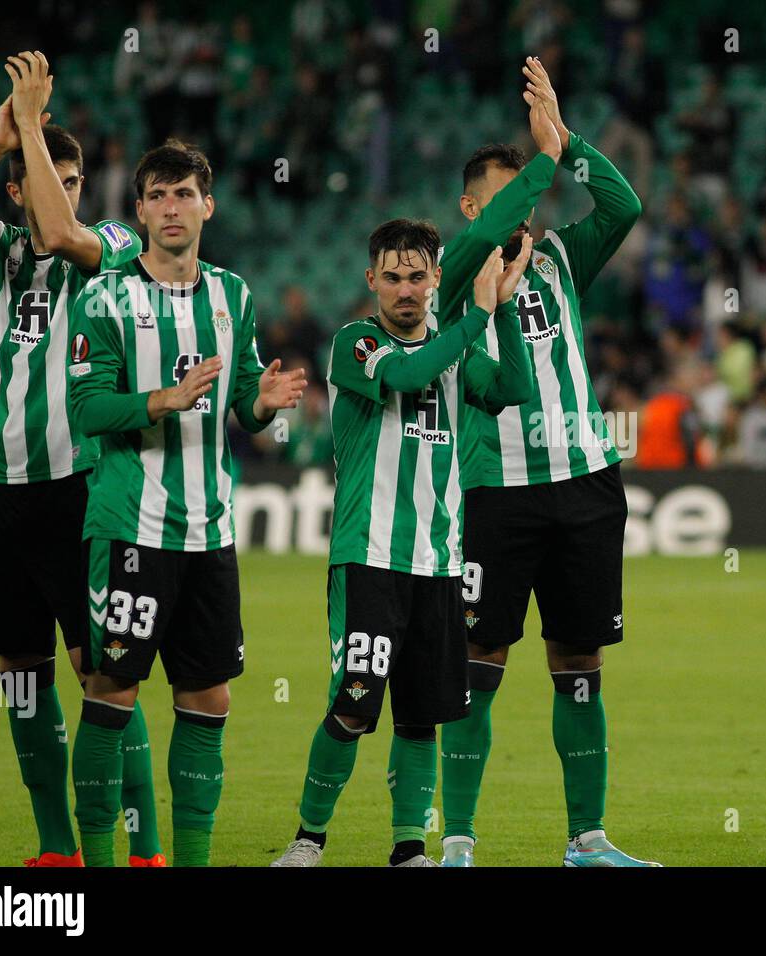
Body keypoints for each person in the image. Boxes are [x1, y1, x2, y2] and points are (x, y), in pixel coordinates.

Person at [0, 51, 157, 867]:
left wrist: (29, 122)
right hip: (0, 490)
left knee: (102, 672)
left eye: (72, 176)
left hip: (77, 487)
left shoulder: (113, 240)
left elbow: (62, 233)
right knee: (22, 674)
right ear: (19, 186)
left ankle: (146, 848)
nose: (60, 188)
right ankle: (58, 847)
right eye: (44, 177)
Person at [436, 56, 656, 866]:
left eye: (534, 190)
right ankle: (457, 840)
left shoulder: (562, 258)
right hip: (497, 492)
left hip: (587, 483)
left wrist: (567, 143)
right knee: (478, 661)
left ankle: (588, 840)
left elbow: (625, 204)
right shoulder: (453, 274)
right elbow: (491, 236)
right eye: (505, 192)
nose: (525, 207)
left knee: (581, 661)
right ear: (470, 206)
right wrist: (541, 167)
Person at [66, 139, 306, 867]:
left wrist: (261, 404)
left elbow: (243, 402)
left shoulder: (233, 295)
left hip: (211, 533)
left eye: (185, 193)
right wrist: (159, 401)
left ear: (209, 204)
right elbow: (85, 408)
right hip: (132, 524)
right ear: (138, 211)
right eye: (159, 195)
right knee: (112, 692)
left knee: (209, 702)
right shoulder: (105, 295)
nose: (172, 207)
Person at [270, 223, 533, 868]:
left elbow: (514, 390)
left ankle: (409, 848)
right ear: (372, 282)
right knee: (355, 706)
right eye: (392, 277)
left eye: (418, 276)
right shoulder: (356, 343)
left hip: (437, 562)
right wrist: (477, 314)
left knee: (421, 716)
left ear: (435, 277)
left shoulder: (457, 348)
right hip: (368, 557)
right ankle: (309, 840)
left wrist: (503, 315)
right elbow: (411, 369)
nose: (406, 290)